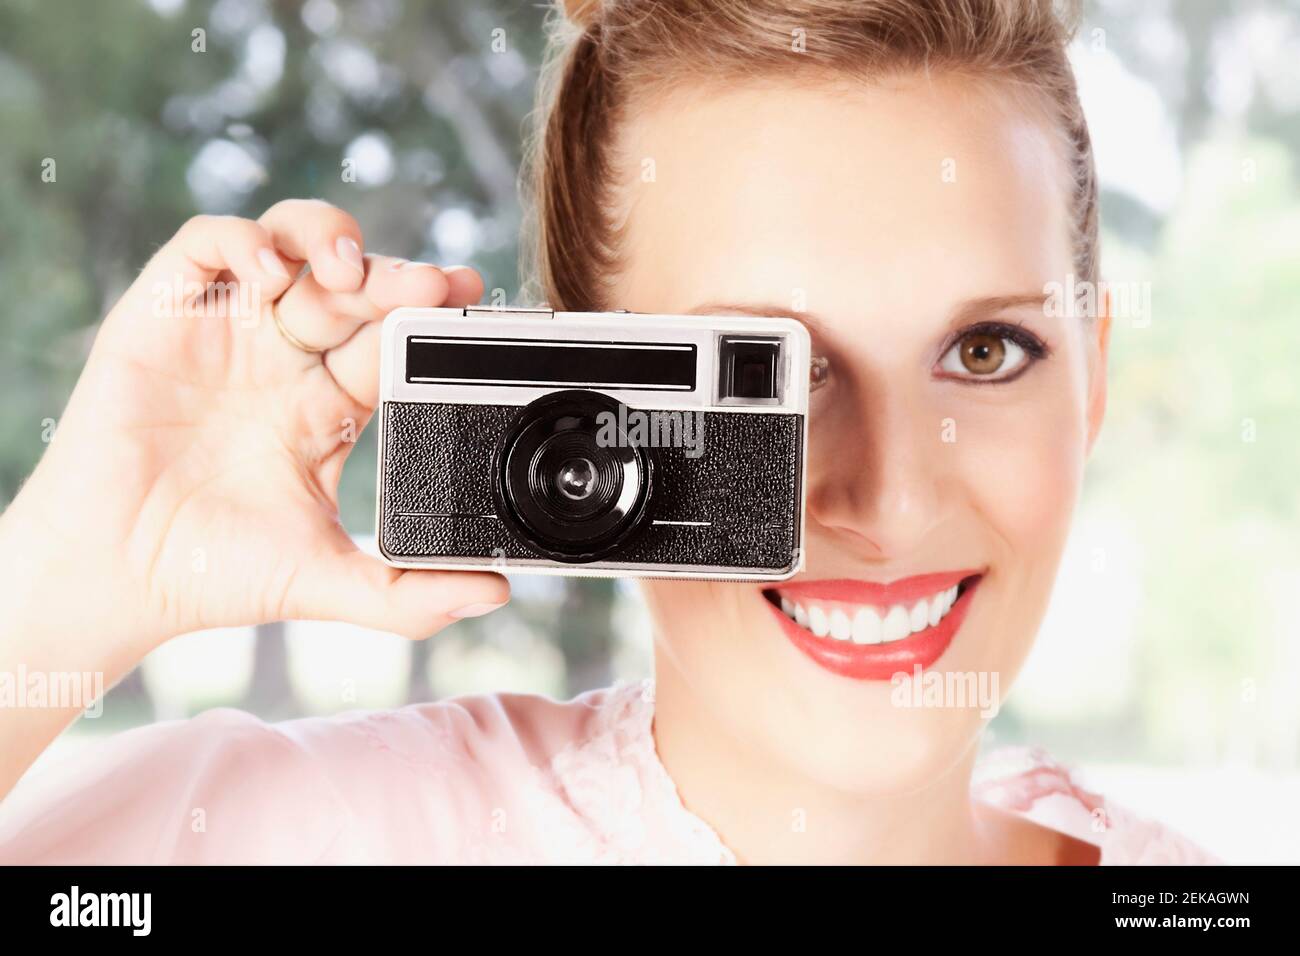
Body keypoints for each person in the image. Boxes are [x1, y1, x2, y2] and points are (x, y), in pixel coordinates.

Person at [0, 0, 1217, 864]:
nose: (885, 500)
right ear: (569, 389)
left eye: (987, 350)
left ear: (1093, 372)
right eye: (765, 374)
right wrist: (67, 576)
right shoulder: (304, 838)